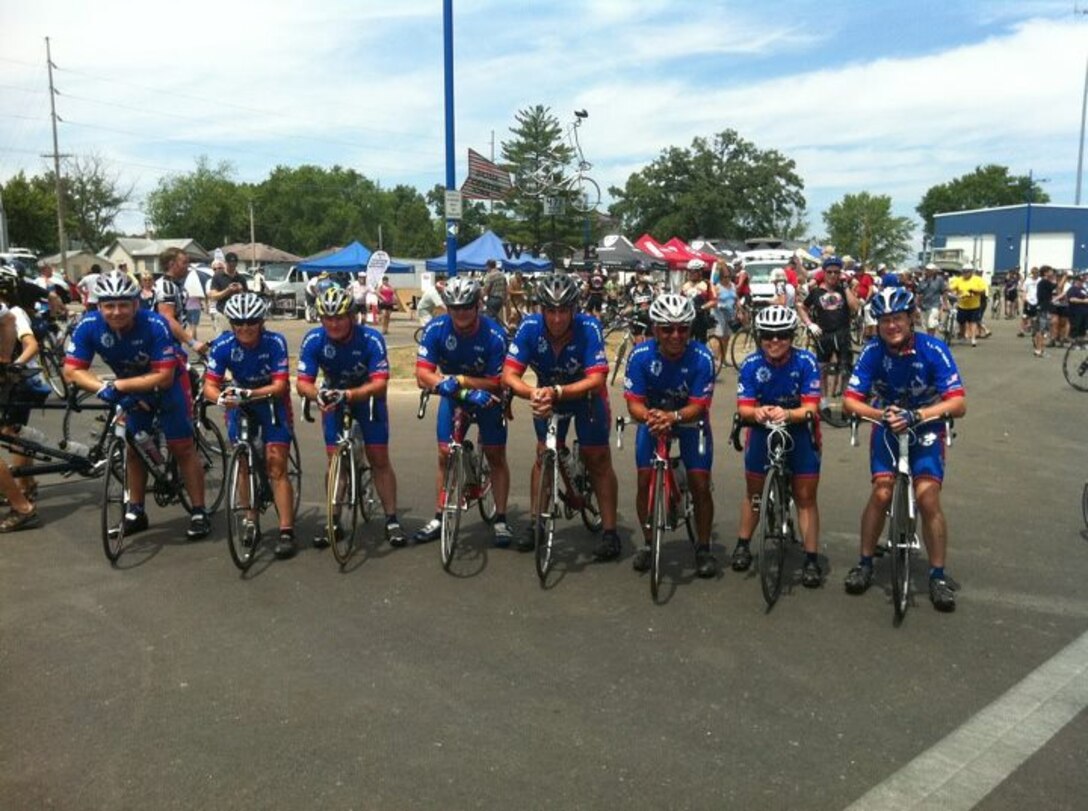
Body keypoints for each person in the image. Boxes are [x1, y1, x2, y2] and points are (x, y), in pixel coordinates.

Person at [841, 287, 967, 612]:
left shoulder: (933, 349)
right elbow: (849, 400)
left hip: (925, 426)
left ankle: (938, 576)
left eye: (897, 318)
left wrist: (919, 415)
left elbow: (958, 402)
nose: (891, 326)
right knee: (882, 493)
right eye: (884, 320)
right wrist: (878, 414)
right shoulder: (872, 351)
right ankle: (865, 563)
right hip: (887, 425)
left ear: (911, 318)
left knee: (927, 497)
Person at [63, 271, 212, 539]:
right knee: (134, 449)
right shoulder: (88, 325)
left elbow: (164, 378)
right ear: (99, 307)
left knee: (182, 447)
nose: (116, 312)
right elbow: (72, 370)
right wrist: (101, 387)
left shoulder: (156, 324)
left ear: (136, 304)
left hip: (169, 384)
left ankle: (200, 511)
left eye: (123, 305)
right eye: (109, 305)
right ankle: (136, 511)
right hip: (131, 385)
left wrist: (118, 387)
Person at [502, 273, 622, 559]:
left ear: (574, 309)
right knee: (543, 454)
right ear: (541, 309)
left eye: (563, 311)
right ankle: (535, 523)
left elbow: (597, 380)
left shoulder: (589, 327)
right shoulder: (529, 327)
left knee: (598, 458)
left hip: (585, 397)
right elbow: (509, 375)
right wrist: (532, 393)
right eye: (551, 311)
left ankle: (610, 531)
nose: (557, 318)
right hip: (547, 396)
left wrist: (557, 391)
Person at [296, 287, 407, 547]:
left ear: (353, 316)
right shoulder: (314, 339)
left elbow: (381, 383)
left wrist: (349, 394)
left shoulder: (371, 339)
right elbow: (303, 383)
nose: (333, 324)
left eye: (340, 317)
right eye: (328, 318)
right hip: (334, 396)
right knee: (336, 463)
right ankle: (333, 521)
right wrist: (317, 396)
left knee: (379, 459)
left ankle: (392, 519)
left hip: (367, 397)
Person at [413, 276, 514, 546]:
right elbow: (422, 373)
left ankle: (501, 518)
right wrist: (446, 384)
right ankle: (438, 514)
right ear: (447, 307)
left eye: (466, 307)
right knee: (444, 455)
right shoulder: (436, 329)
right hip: (455, 396)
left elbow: (498, 381)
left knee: (495, 455)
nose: (461, 313)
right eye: (454, 308)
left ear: (478, 305)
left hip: (487, 397)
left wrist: (460, 380)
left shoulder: (494, 334)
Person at [623, 293, 718, 578]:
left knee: (700, 484)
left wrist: (673, 417)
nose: (675, 335)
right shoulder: (640, 356)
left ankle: (703, 547)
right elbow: (634, 403)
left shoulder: (702, 357)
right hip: (653, 420)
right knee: (643, 480)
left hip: (690, 420)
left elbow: (700, 405)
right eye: (667, 329)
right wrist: (651, 417)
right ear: (655, 329)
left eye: (682, 328)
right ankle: (650, 543)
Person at [731, 305, 823, 587]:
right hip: (762, 431)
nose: (774, 341)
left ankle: (810, 559)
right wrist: (755, 413)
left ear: (791, 336)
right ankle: (743, 544)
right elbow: (744, 408)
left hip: (800, 431)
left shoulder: (806, 361)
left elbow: (811, 409)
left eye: (782, 335)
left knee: (805, 497)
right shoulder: (750, 364)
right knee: (754, 493)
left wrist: (789, 414)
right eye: (768, 336)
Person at [203, 292, 298, 558]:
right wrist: (220, 397)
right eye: (239, 322)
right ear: (231, 323)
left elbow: (280, 386)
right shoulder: (223, 345)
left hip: (271, 403)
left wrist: (251, 393)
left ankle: (286, 530)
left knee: (276, 465)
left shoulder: (275, 342)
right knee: (242, 465)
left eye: (251, 322)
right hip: (240, 404)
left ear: (261, 322)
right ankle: (250, 519)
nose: (245, 327)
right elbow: (209, 386)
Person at [0, 269, 51, 509]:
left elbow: (31, 345)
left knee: (13, 433)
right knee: (14, 432)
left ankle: (21, 486)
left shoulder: (14, 312)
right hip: (13, 382)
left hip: (20, 382)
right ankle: (26, 482)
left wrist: (13, 365)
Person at [797, 256, 859, 418]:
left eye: (836, 272)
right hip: (824, 335)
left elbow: (855, 307)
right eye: (830, 272)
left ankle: (846, 404)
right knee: (822, 369)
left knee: (845, 370)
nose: (833, 275)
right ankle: (824, 403)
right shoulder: (816, 292)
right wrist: (810, 324)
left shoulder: (843, 290)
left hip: (843, 333)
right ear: (824, 273)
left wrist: (845, 286)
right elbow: (802, 307)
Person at [948, 264, 987, 347]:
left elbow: (983, 291)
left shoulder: (977, 280)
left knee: (973, 322)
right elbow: (951, 288)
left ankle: (973, 338)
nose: (965, 273)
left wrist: (974, 291)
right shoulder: (959, 280)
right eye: (964, 271)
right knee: (961, 321)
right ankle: (962, 335)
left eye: (967, 272)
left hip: (974, 305)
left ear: (971, 272)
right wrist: (950, 291)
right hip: (962, 305)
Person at [208, 253, 246, 335]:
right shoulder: (218, 276)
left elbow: (246, 297)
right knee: (222, 341)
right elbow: (213, 296)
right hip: (223, 314)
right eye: (230, 264)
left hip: (238, 316)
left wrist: (241, 290)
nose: (232, 267)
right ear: (226, 263)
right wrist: (227, 290)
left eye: (234, 265)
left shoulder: (241, 278)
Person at [916, 263, 948, 337]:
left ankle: (931, 339)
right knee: (926, 325)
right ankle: (929, 337)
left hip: (934, 305)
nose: (927, 272)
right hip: (924, 306)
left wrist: (945, 304)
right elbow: (919, 293)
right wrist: (917, 304)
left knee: (931, 324)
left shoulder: (939, 280)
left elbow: (944, 292)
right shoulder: (923, 281)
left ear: (934, 271)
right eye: (926, 270)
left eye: (929, 270)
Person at [481, 259, 508, 325]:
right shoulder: (502, 275)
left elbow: (486, 290)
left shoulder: (490, 275)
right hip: (500, 299)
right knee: (496, 317)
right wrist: (505, 299)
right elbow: (506, 288)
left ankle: (491, 332)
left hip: (493, 299)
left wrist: (481, 298)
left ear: (488, 266)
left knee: (489, 317)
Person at [183, 264, 206, 340]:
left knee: (191, 326)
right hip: (196, 308)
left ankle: (194, 340)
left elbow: (184, 299)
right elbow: (201, 298)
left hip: (188, 308)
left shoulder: (186, 287)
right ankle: (192, 340)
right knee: (194, 326)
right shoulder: (198, 288)